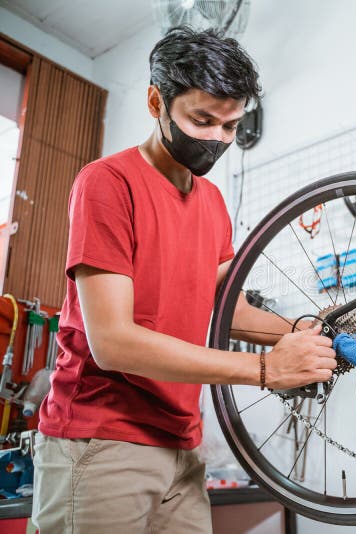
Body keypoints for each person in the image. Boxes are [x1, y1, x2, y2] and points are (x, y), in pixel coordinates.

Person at [31, 26, 336, 533]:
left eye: (231, 126)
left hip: (182, 444)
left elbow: (227, 309)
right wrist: (265, 371)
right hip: (100, 441)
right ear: (156, 101)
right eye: (202, 120)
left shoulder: (212, 203)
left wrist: (303, 332)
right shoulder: (108, 183)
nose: (217, 138)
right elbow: (112, 342)